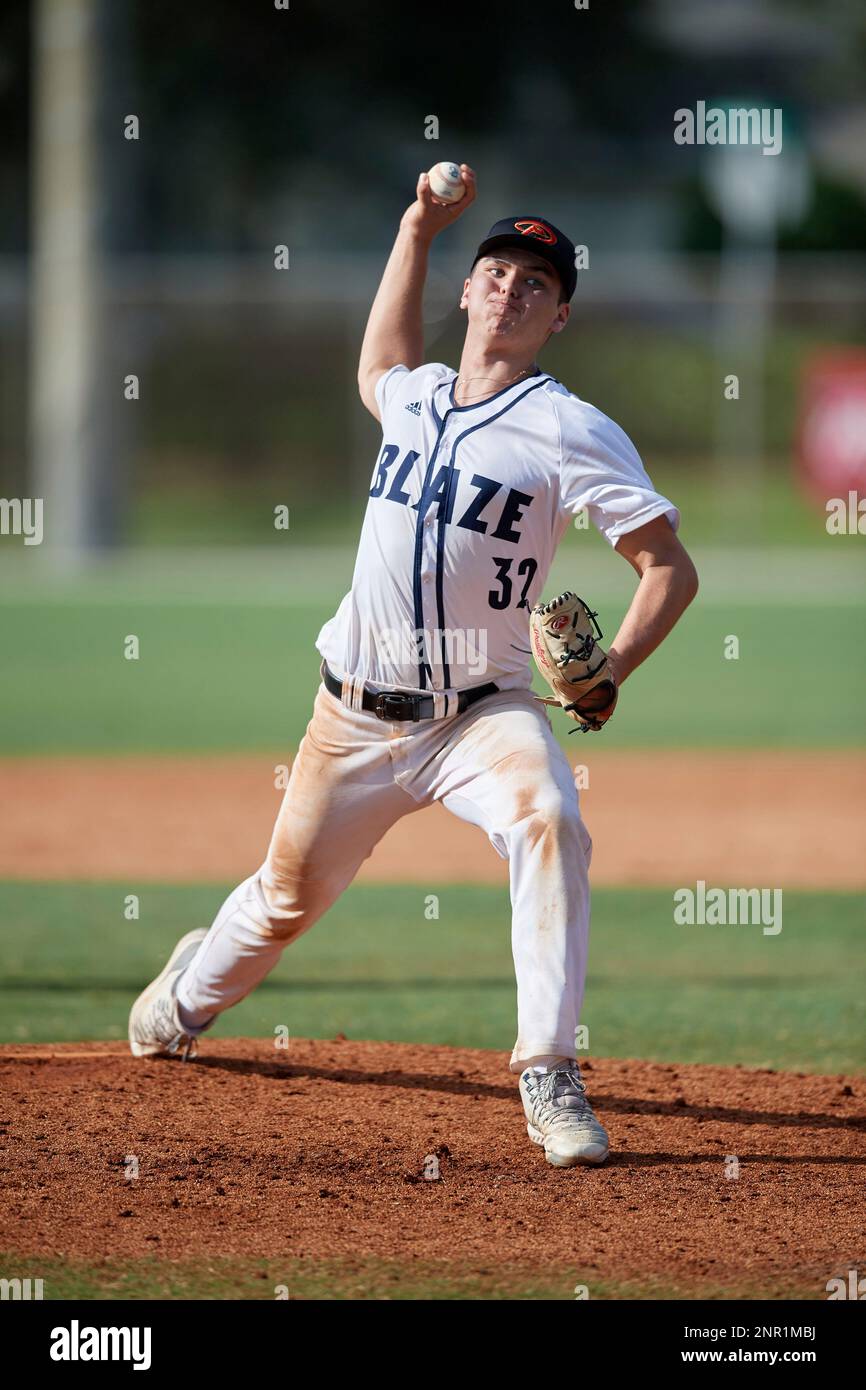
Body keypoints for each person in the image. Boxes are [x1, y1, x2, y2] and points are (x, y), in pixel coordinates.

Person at [129, 165, 698, 1168]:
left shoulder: (571, 428)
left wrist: (610, 668)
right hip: (350, 719)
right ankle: (179, 998)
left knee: (550, 819)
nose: (512, 289)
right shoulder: (418, 397)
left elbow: (666, 567)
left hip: (481, 715)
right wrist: (416, 228)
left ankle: (547, 1070)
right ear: (469, 291)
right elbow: (378, 360)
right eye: (498, 271)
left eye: (537, 282)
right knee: (281, 901)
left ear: (558, 316)